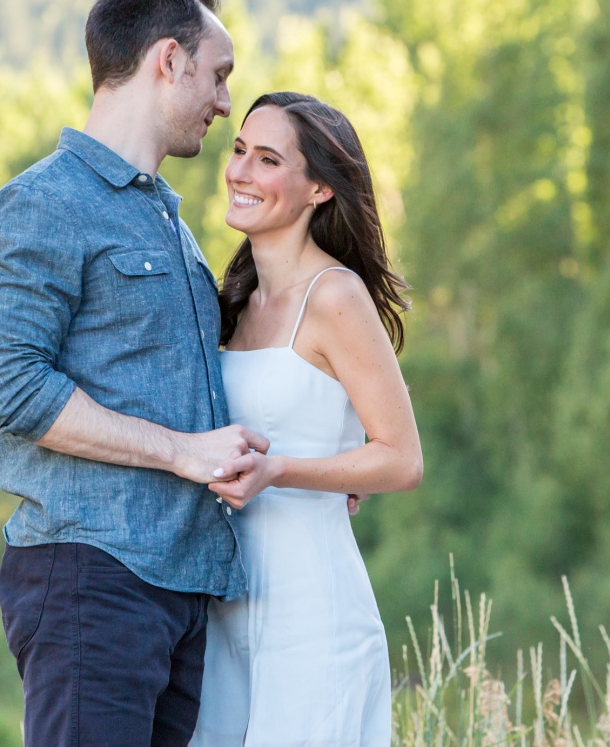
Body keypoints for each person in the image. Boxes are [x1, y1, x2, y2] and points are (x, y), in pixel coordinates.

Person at [0, 0, 270, 745]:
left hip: (176, 588)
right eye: (219, 73)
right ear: (168, 59)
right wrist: (182, 452)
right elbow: (9, 387)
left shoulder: (165, 218)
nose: (227, 101)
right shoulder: (44, 203)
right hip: (91, 581)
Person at [190, 92, 423, 746]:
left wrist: (282, 469)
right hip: (227, 607)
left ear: (319, 187)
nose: (239, 171)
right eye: (239, 150)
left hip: (310, 613)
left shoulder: (336, 296)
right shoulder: (235, 299)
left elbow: (402, 457)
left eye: (268, 159)